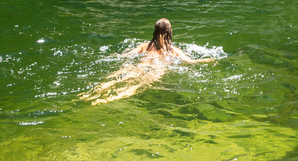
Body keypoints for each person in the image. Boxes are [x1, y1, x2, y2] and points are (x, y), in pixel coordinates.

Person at [80, 18, 213, 105]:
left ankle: (89, 93)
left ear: (154, 32)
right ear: (170, 33)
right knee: (134, 87)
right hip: (155, 71)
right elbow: (189, 61)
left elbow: (127, 55)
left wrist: (115, 54)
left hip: (138, 67)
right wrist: (209, 60)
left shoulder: (145, 46)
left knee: (115, 79)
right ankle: (105, 99)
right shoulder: (173, 51)